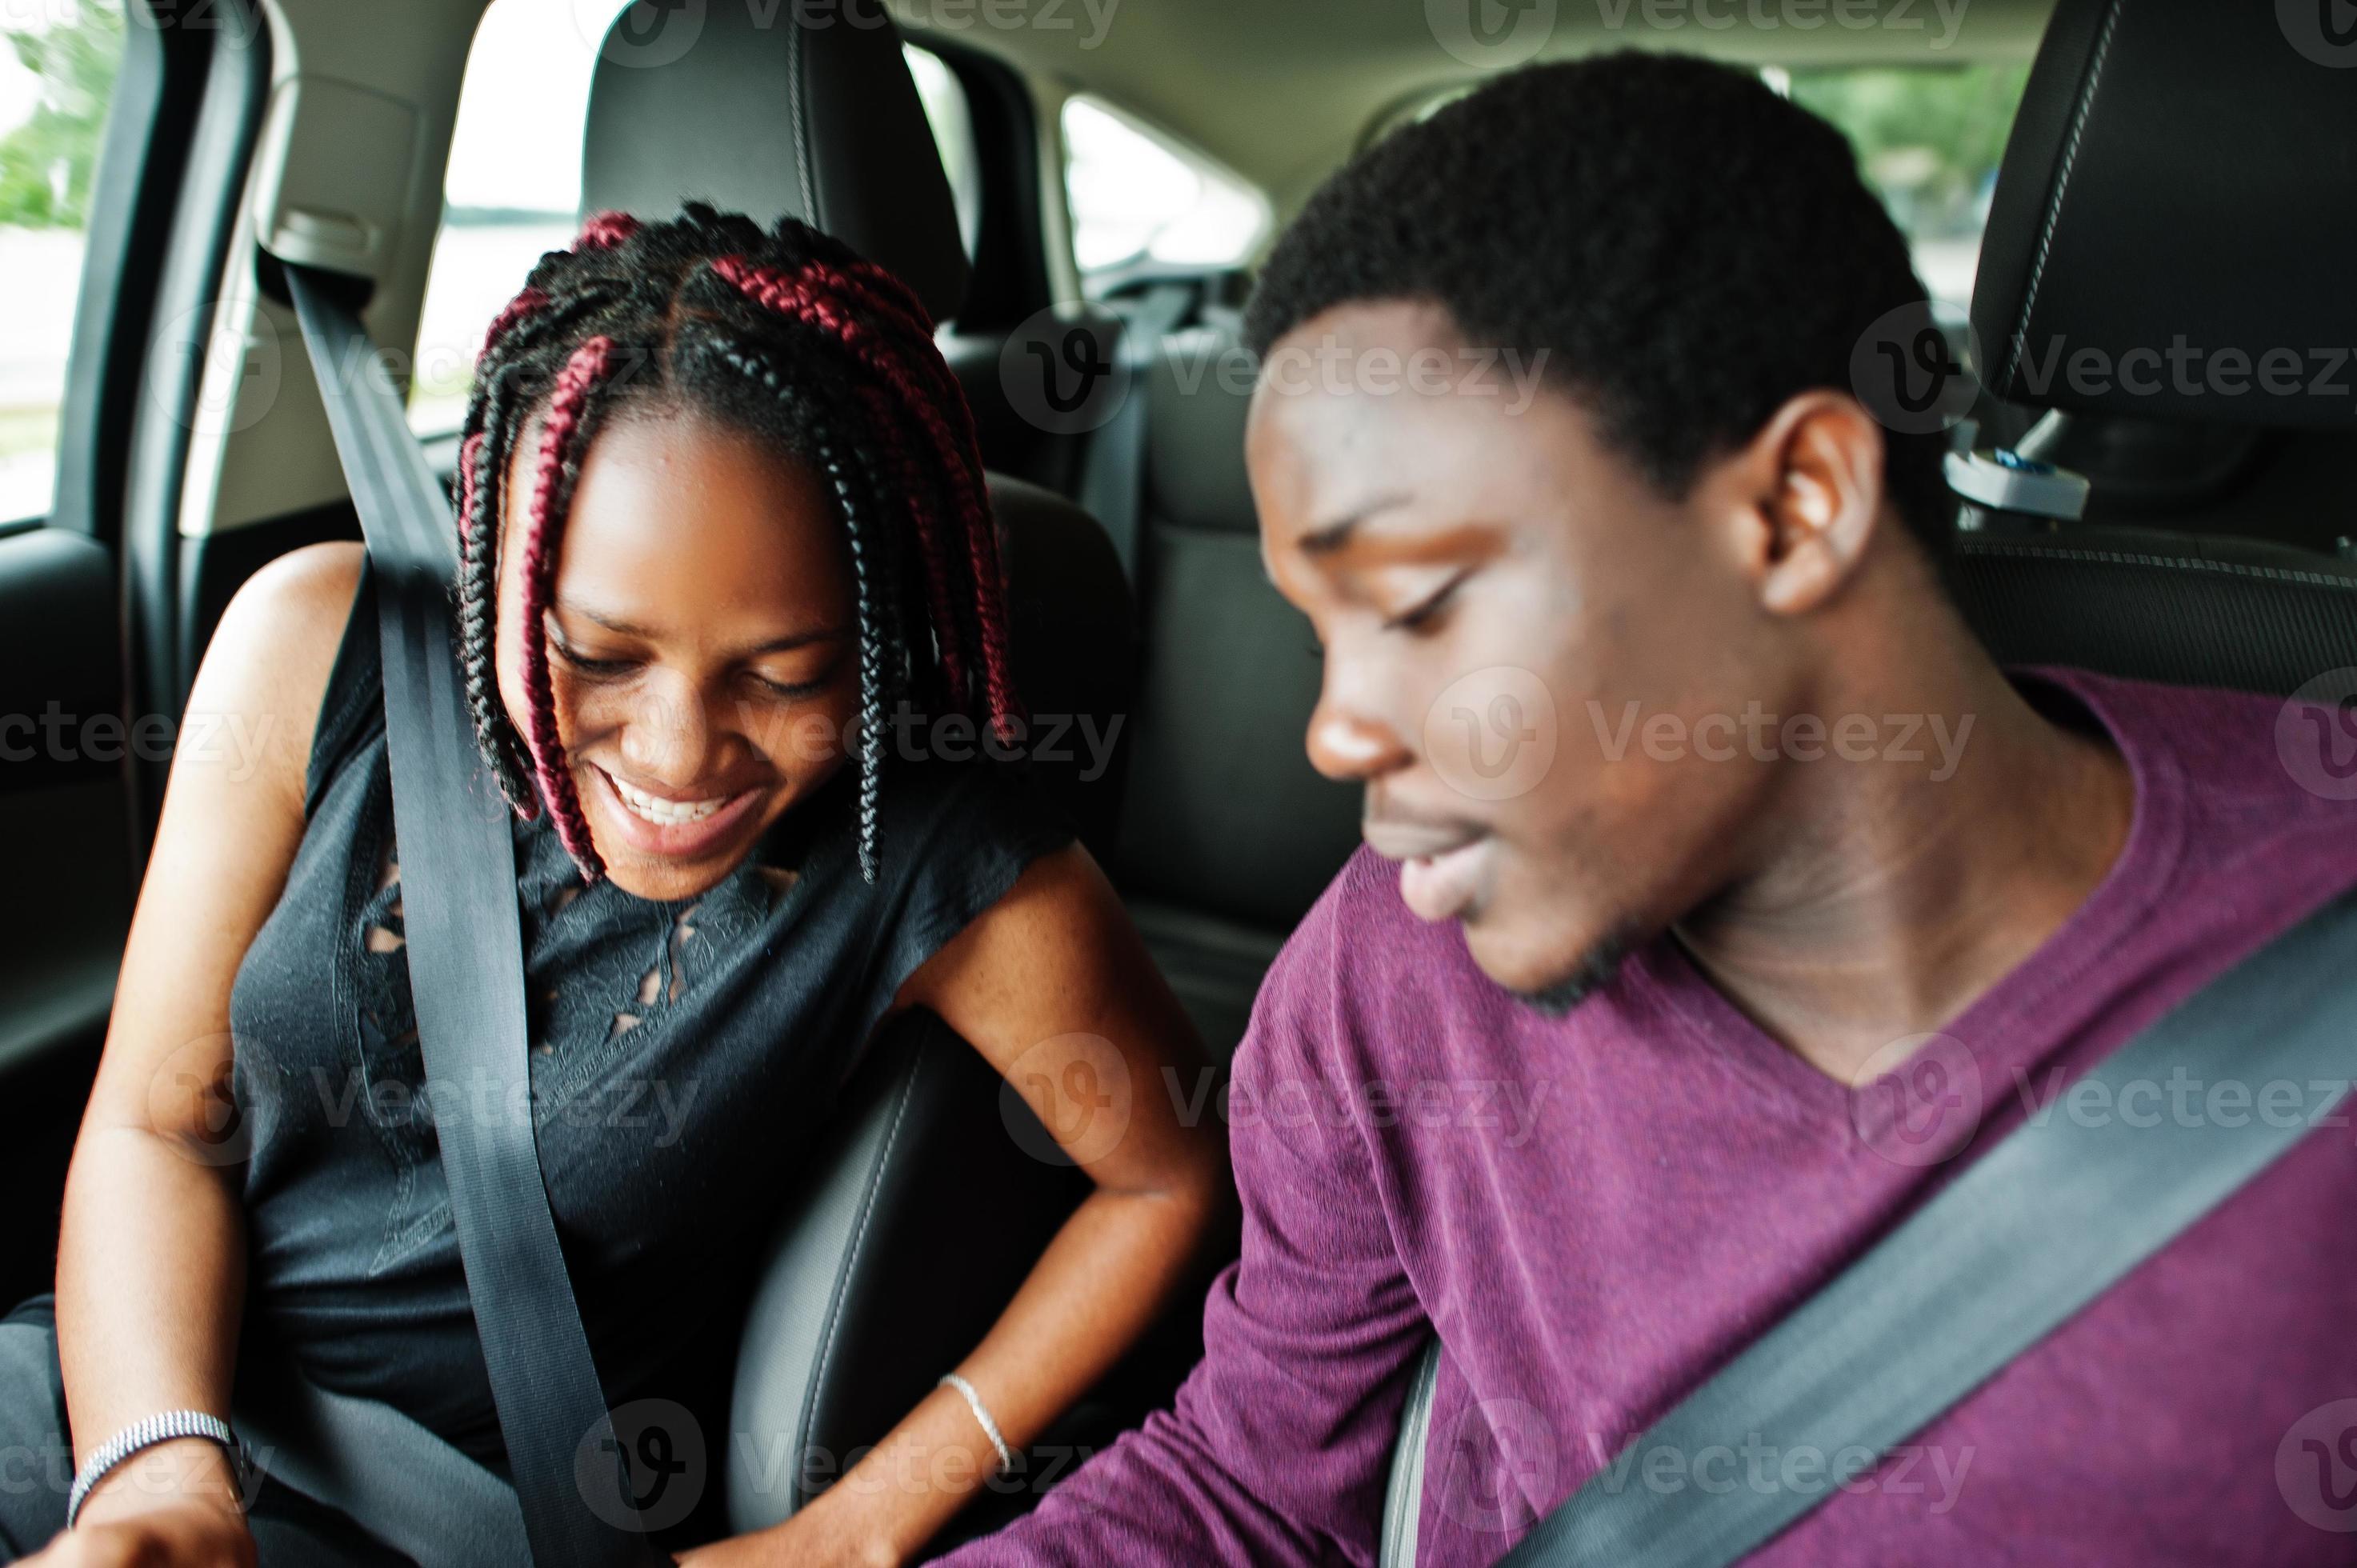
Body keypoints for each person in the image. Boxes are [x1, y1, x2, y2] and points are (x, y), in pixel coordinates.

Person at [938, 54, 2357, 1567]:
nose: (1336, 729)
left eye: (1415, 604)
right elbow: (1252, 1480)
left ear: (1795, 504)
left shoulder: (2306, 1020)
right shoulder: (1390, 979)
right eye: (1319, 636)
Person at [0, 205, 1228, 1566]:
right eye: (598, 653)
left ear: (881, 638)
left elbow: (1170, 1175)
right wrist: (155, 1480)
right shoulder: (314, 645)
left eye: (785, 674)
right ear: (502, 570)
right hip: (114, 1402)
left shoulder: (944, 865)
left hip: (438, 1527)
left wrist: (854, 1531)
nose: (678, 750)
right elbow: (159, 1125)